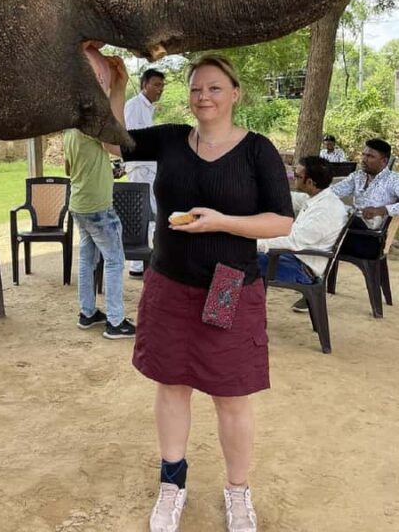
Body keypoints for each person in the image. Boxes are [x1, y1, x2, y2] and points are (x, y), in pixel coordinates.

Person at [106, 53, 293, 532]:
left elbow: (281, 220)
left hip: (228, 284)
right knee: (172, 385)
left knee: (230, 395)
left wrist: (222, 221)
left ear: (234, 93)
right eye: (195, 89)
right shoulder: (170, 139)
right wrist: (117, 84)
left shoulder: (257, 150)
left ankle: (237, 493)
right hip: (169, 282)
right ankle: (172, 484)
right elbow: (112, 141)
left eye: (213, 87)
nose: (203, 96)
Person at [63, 49, 136, 341]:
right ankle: (115, 321)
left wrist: (103, 169)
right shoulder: (92, 120)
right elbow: (118, 144)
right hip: (97, 207)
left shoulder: (69, 124)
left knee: (88, 258)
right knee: (116, 260)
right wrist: (119, 88)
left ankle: (88, 312)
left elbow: (70, 166)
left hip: (79, 203)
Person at [257, 156, 348, 312]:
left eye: (297, 176)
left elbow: (294, 242)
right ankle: (227, 314)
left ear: (310, 182)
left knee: (235, 259)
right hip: (293, 258)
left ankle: (220, 314)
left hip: (301, 269)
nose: (293, 179)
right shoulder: (319, 198)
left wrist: (256, 243)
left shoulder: (325, 211)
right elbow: (291, 198)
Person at [124, 68, 165, 277]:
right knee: (145, 214)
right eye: (156, 84)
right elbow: (132, 138)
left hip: (150, 168)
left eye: (162, 85)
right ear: (144, 85)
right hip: (140, 168)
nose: (160, 89)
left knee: (152, 213)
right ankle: (138, 265)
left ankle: (145, 261)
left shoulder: (148, 108)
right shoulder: (133, 106)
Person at [331, 138, 399, 258]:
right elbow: (333, 192)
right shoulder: (358, 176)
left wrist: (382, 210)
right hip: (350, 231)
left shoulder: (393, 179)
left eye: (370, 156)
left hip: (369, 239)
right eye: (363, 155)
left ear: (384, 161)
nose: (364, 159)